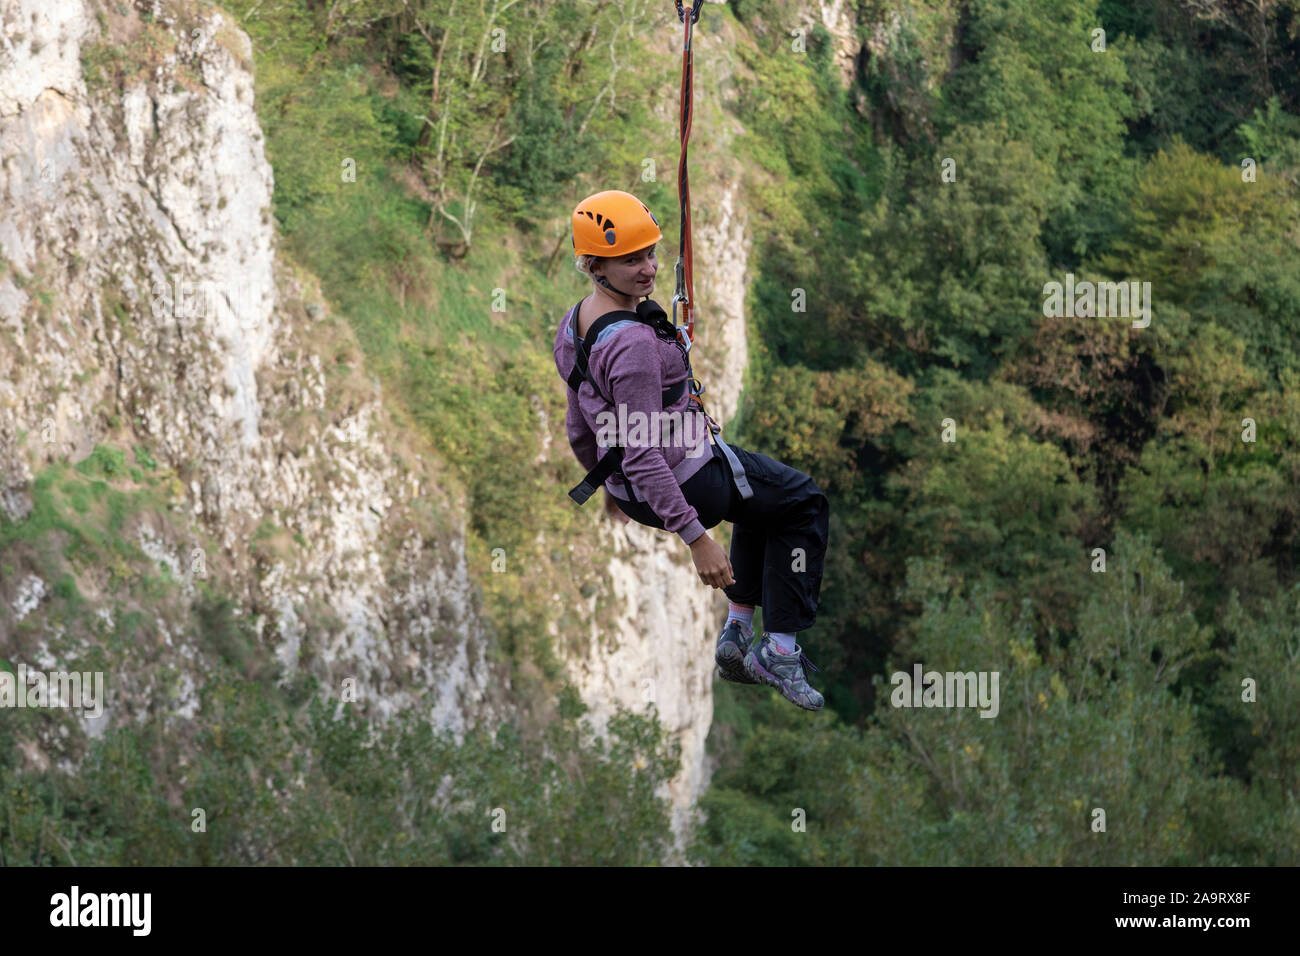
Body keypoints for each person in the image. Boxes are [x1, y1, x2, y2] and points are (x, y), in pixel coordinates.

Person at [553, 189, 831, 711]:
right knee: (803, 501)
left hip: (642, 488)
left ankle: (738, 630)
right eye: (630, 259)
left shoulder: (575, 326)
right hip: (685, 480)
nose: (648, 269)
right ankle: (780, 647)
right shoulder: (632, 346)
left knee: (763, 503)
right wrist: (696, 537)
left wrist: (610, 485)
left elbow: (578, 425)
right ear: (594, 266)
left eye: (650, 253)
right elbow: (639, 450)